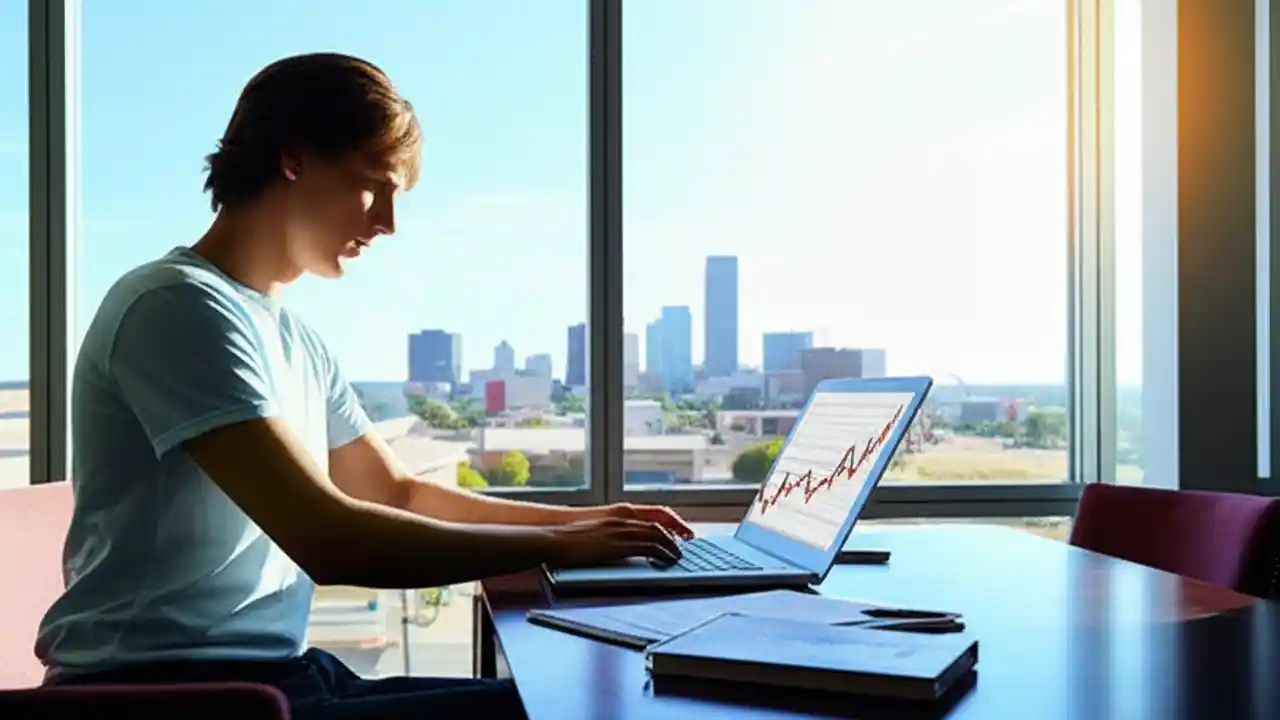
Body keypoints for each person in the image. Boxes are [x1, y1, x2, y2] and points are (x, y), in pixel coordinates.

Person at [34, 52, 691, 719]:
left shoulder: (294, 339)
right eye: (374, 185)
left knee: (571, 700)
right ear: (294, 159)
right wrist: (565, 545)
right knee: (572, 711)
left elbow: (395, 492)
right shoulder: (175, 308)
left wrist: (589, 522)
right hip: (164, 693)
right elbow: (330, 537)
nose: (387, 224)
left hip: (277, 673)